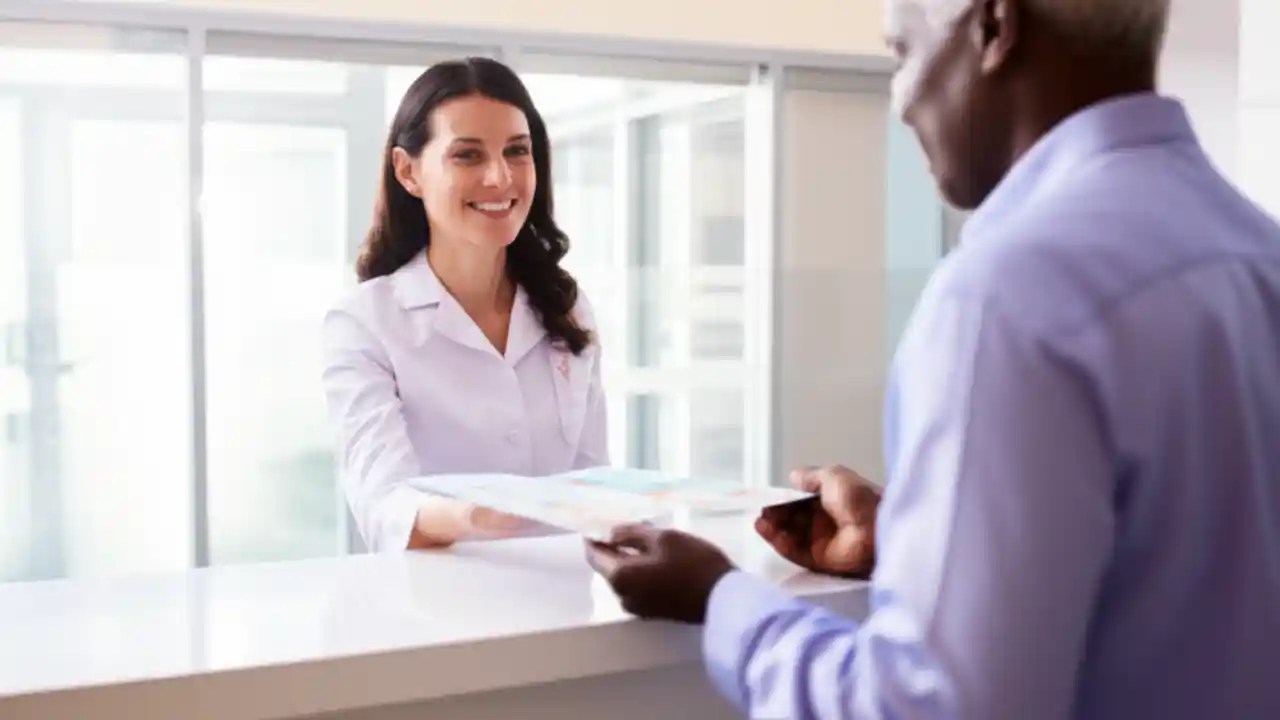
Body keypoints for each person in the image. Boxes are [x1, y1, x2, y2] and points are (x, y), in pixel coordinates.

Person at [586, 0, 1280, 717]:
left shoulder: (1005, 297)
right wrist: (922, 546)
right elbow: (1189, 579)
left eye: (902, 54)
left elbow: (928, 708)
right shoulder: (1259, 255)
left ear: (992, 26)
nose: (901, 101)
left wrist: (721, 600)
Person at [322, 57, 608, 553]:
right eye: (468, 156)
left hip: (566, 605)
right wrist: (476, 514)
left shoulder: (568, 308)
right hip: (435, 614)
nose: (500, 177)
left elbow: (593, 479)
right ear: (407, 172)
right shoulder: (364, 323)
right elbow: (382, 501)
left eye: (517, 152)